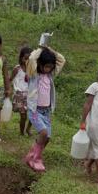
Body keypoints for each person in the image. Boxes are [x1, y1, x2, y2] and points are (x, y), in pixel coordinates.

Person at [22, 43, 65, 173]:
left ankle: (32, 154)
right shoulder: (33, 75)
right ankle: (36, 158)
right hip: (35, 111)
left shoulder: (50, 76)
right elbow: (31, 59)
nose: (48, 69)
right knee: (44, 133)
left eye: (50, 67)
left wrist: (50, 50)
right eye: (46, 66)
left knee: (47, 138)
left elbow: (62, 60)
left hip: (46, 111)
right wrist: (40, 49)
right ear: (40, 64)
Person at [11, 45, 32, 137]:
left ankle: (28, 129)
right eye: (25, 58)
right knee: (23, 116)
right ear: (21, 58)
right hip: (19, 95)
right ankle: (21, 133)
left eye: (29, 59)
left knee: (33, 115)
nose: (27, 61)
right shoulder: (17, 69)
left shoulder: (32, 70)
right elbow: (10, 79)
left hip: (30, 95)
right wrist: (7, 90)